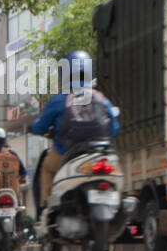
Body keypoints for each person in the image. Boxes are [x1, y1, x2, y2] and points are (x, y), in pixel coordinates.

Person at [28, 50, 120, 207]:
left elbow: (40, 127)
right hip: (100, 154)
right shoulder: (101, 98)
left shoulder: (58, 100)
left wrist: (32, 128)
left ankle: (45, 210)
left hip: (65, 155)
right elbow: (113, 130)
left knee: (47, 168)